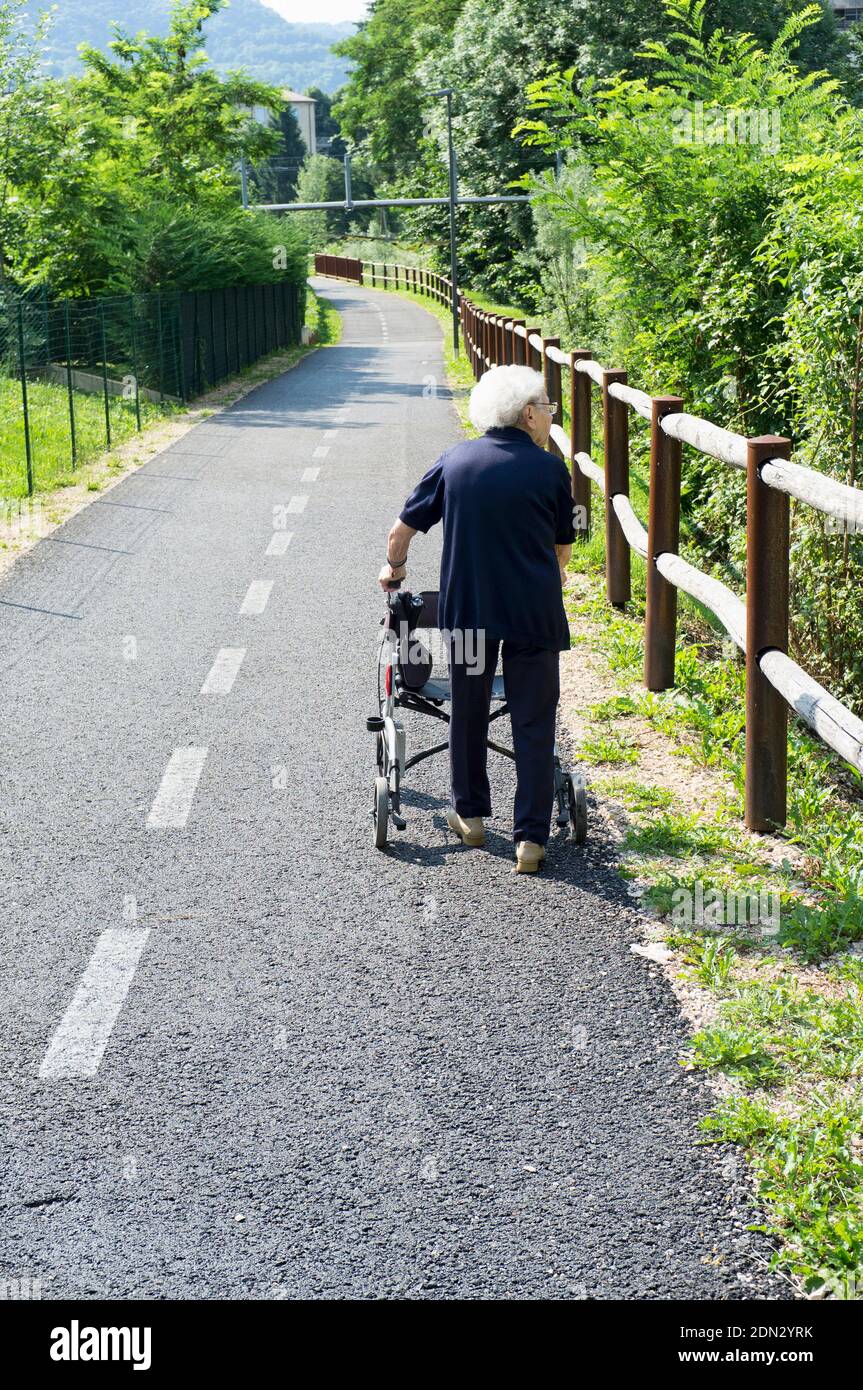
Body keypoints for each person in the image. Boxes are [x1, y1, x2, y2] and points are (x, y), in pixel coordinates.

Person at [378, 364, 575, 873]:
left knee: (468, 708)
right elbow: (561, 551)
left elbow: (401, 533)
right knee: (534, 719)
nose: (550, 414)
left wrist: (395, 571)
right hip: (533, 614)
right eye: (547, 406)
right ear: (528, 414)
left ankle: (470, 817)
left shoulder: (454, 461)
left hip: (469, 614)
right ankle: (530, 840)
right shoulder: (552, 471)